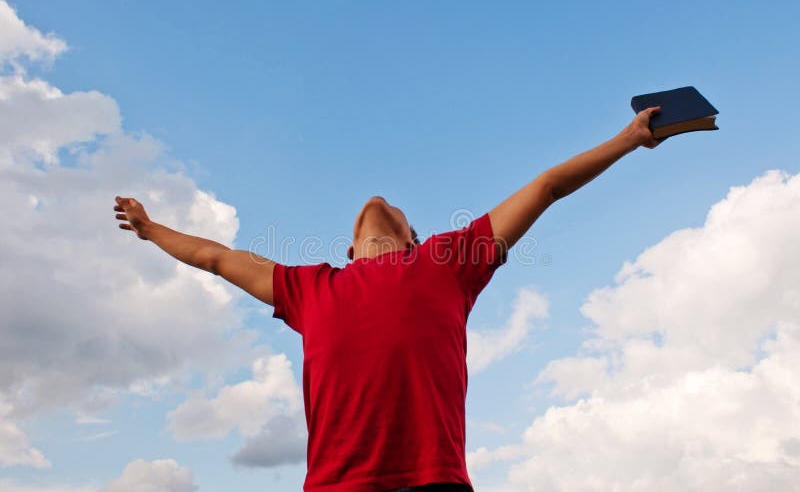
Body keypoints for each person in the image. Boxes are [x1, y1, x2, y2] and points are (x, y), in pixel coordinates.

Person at [114, 107, 663, 492]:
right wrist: (150, 228)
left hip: (434, 481)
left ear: (415, 239)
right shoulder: (309, 287)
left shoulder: (446, 264)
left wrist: (628, 139)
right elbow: (214, 256)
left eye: (400, 209)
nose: (378, 201)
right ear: (348, 252)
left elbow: (546, 186)